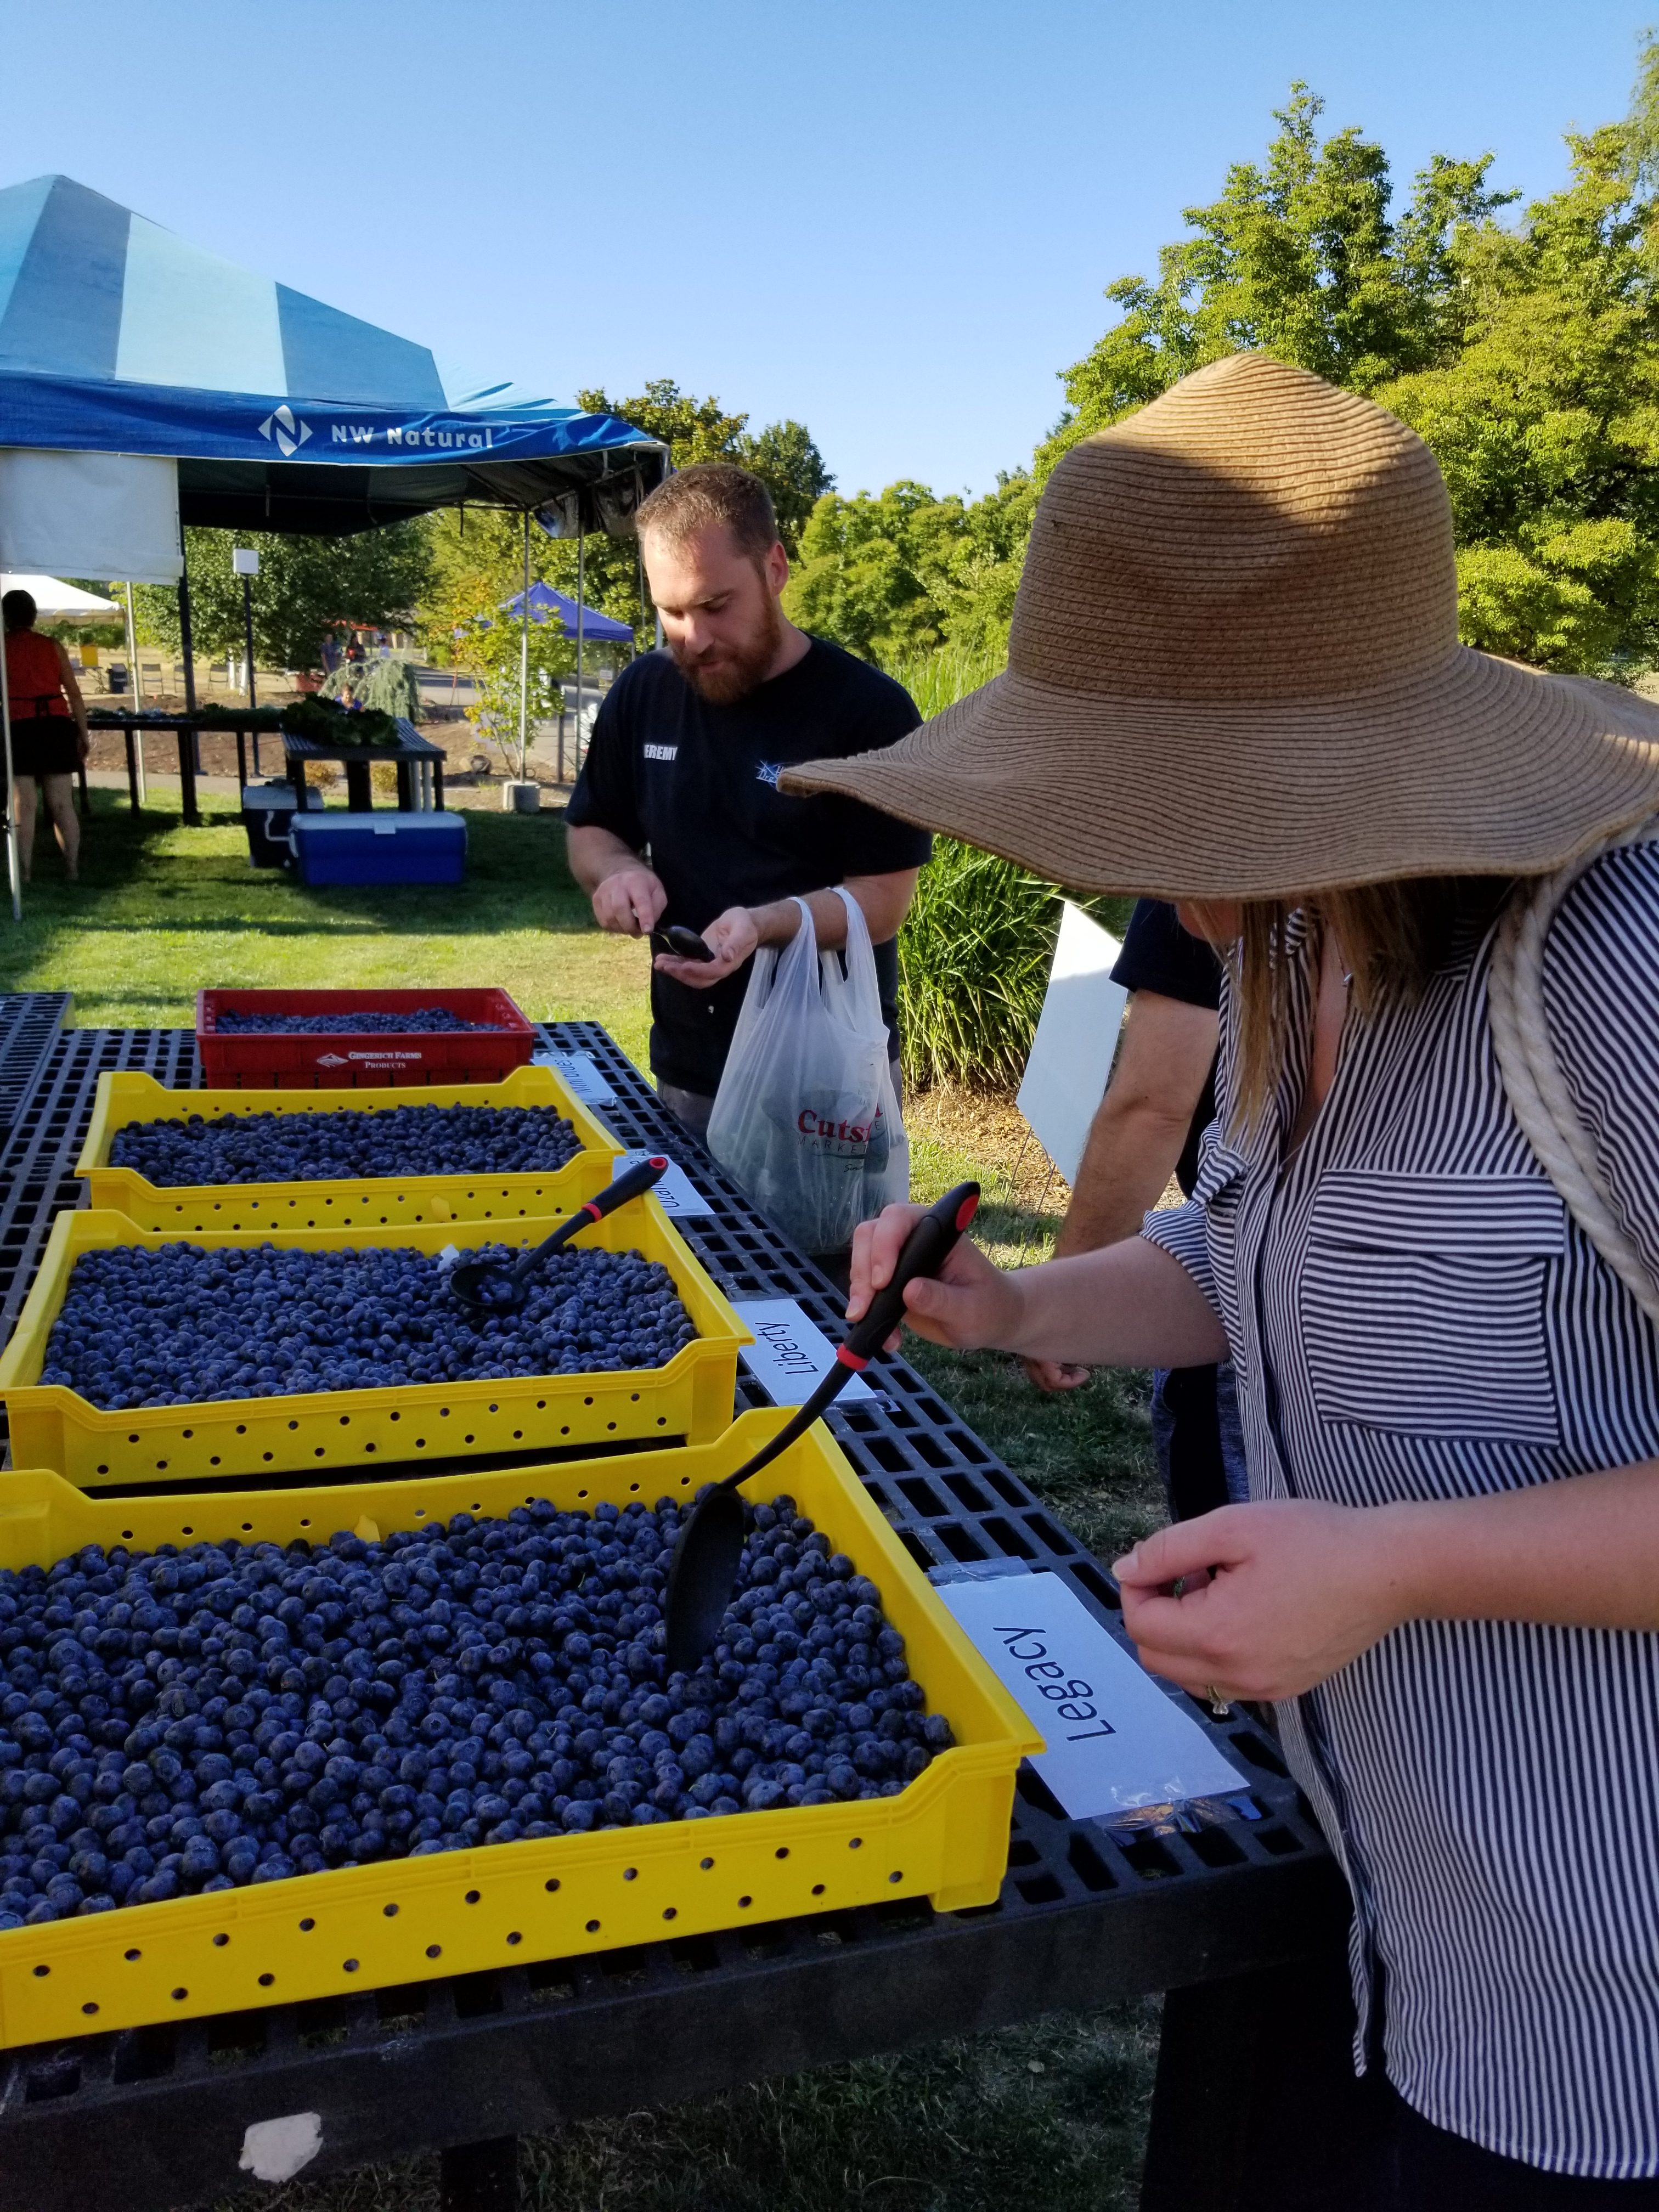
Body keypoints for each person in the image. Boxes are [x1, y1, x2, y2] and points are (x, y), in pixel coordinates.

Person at [792, 353, 1659, 2205]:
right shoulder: (1286, 941)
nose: (1145, 866)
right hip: (1335, 1898)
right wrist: (1033, 1303)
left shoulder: (1612, 960)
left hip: (1598, 2025)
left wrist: (1404, 1566)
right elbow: (1247, 1246)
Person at [565, 464, 932, 1142]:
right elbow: (592, 828)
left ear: (776, 569)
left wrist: (762, 925)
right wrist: (617, 871)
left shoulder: (868, 711)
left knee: (827, 1252)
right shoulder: (644, 693)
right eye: (670, 612)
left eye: (714, 606)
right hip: (689, 1063)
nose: (693, 639)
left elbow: (881, 903)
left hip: (827, 1076)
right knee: (695, 1247)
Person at [1025, 896, 1246, 1521]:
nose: (1187, 916)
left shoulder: (1217, 837)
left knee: (1236, 1565)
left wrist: (1061, 1303)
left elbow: (1154, 1105)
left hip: (1255, 1298)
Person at [1, 589, 88, 883]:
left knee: (23, 804)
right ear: (34, 615)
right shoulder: (52, 645)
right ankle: (73, 869)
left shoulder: (2, 647)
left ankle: (24, 873)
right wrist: (83, 732)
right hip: (55, 726)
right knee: (63, 803)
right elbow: (74, 695)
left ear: (5, 616)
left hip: (19, 727)